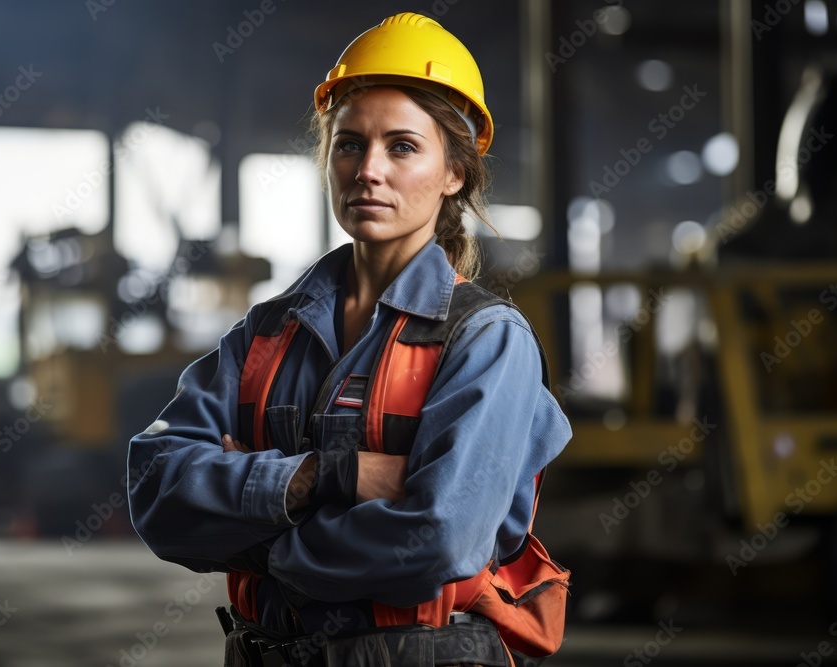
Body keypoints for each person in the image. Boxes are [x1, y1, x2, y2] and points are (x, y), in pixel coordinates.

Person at [127, 12, 572, 667]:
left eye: (402, 147)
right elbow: (156, 488)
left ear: (455, 171)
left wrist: (258, 532)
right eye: (349, 144)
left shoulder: (486, 342)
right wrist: (323, 475)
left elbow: (437, 538)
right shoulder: (265, 334)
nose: (368, 170)